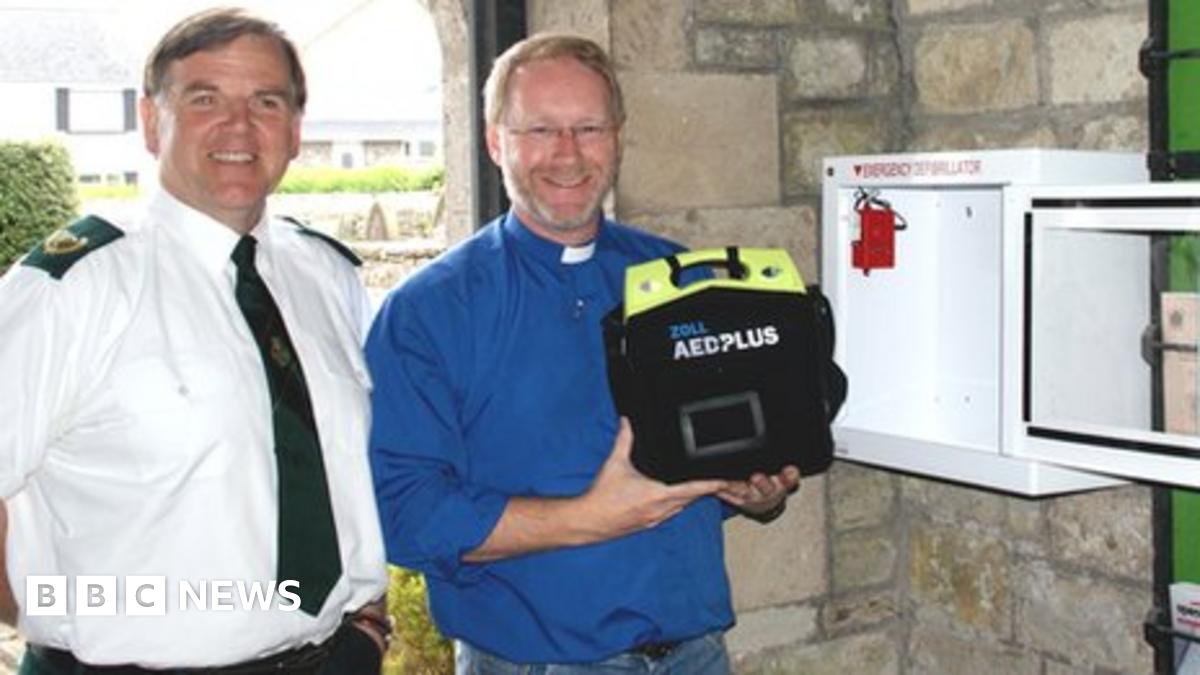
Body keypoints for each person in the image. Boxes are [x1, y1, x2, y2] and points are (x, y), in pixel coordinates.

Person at [366, 33, 800, 674]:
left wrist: (754, 488)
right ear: (495, 142)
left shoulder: (678, 277)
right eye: (540, 129)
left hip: (697, 657)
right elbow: (406, 516)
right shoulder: (427, 313)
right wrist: (588, 519)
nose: (567, 155)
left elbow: (713, 443)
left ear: (618, 138)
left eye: (589, 128)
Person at [0, 8, 389, 672]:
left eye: (266, 101)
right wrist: (52, 611)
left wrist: (364, 623)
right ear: (152, 122)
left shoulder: (327, 275)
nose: (238, 126)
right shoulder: (73, 289)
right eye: (204, 98)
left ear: (295, 130)